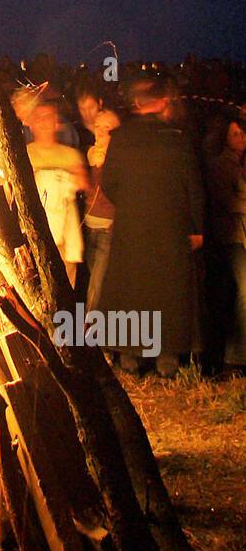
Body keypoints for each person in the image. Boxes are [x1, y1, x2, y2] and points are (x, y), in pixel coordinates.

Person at [97, 77, 204, 377]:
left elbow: (109, 183)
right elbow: (193, 186)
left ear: (137, 104)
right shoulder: (178, 137)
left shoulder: (120, 137)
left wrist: (132, 205)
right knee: (167, 289)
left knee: (132, 286)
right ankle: (166, 356)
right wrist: (196, 227)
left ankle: (130, 355)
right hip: (170, 225)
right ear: (160, 102)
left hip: (132, 225)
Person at [26, 99, 90, 286]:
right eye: (39, 118)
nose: (44, 122)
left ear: (57, 123)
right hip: (36, 237)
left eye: (49, 117)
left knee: (65, 286)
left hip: (65, 235)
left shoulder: (70, 155)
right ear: (32, 123)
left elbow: (84, 184)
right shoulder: (24, 155)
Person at [205, 117, 246, 369]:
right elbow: (224, 201)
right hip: (231, 238)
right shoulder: (221, 165)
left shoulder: (242, 165)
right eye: (235, 134)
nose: (241, 138)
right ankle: (236, 355)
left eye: (243, 133)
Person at [84, 108, 121, 309]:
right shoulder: (91, 154)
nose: (100, 131)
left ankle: (90, 325)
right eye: (97, 126)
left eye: (107, 127)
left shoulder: (118, 159)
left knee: (97, 281)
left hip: (108, 226)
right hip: (90, 224)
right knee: (94, 275)